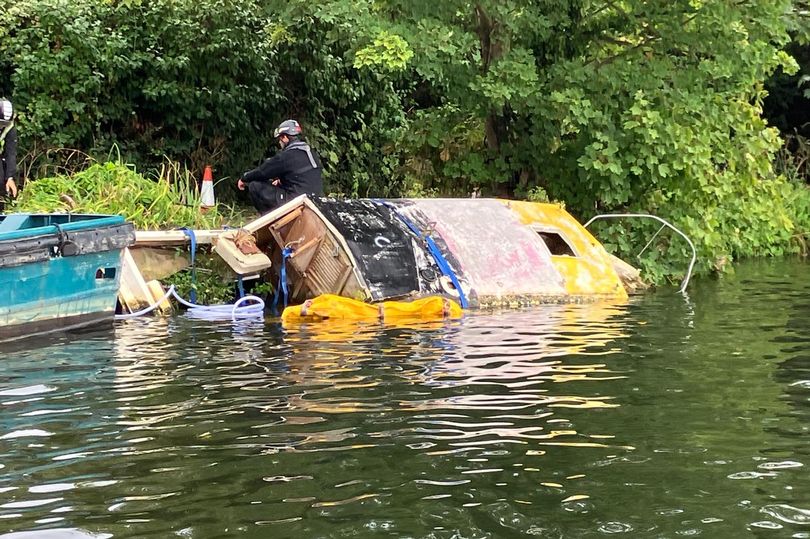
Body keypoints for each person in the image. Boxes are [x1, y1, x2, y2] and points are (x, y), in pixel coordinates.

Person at [237, 119, 323, 214]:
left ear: (285, 137)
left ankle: (269, 221)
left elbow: (262, 172)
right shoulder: (310, 152)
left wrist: (244, 178)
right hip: (314, 200)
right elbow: (302, 176)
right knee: (276, 183)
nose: (279, 142)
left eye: (280, 139)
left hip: (296, 201)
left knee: (254, 185)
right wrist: (282, 181)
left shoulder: (286, 156)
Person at [0, 98, 18, 210]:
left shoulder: (10, 127)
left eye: (4, 124)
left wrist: (9, 177)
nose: (2, 126)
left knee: (1, 178)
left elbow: (10, 152)